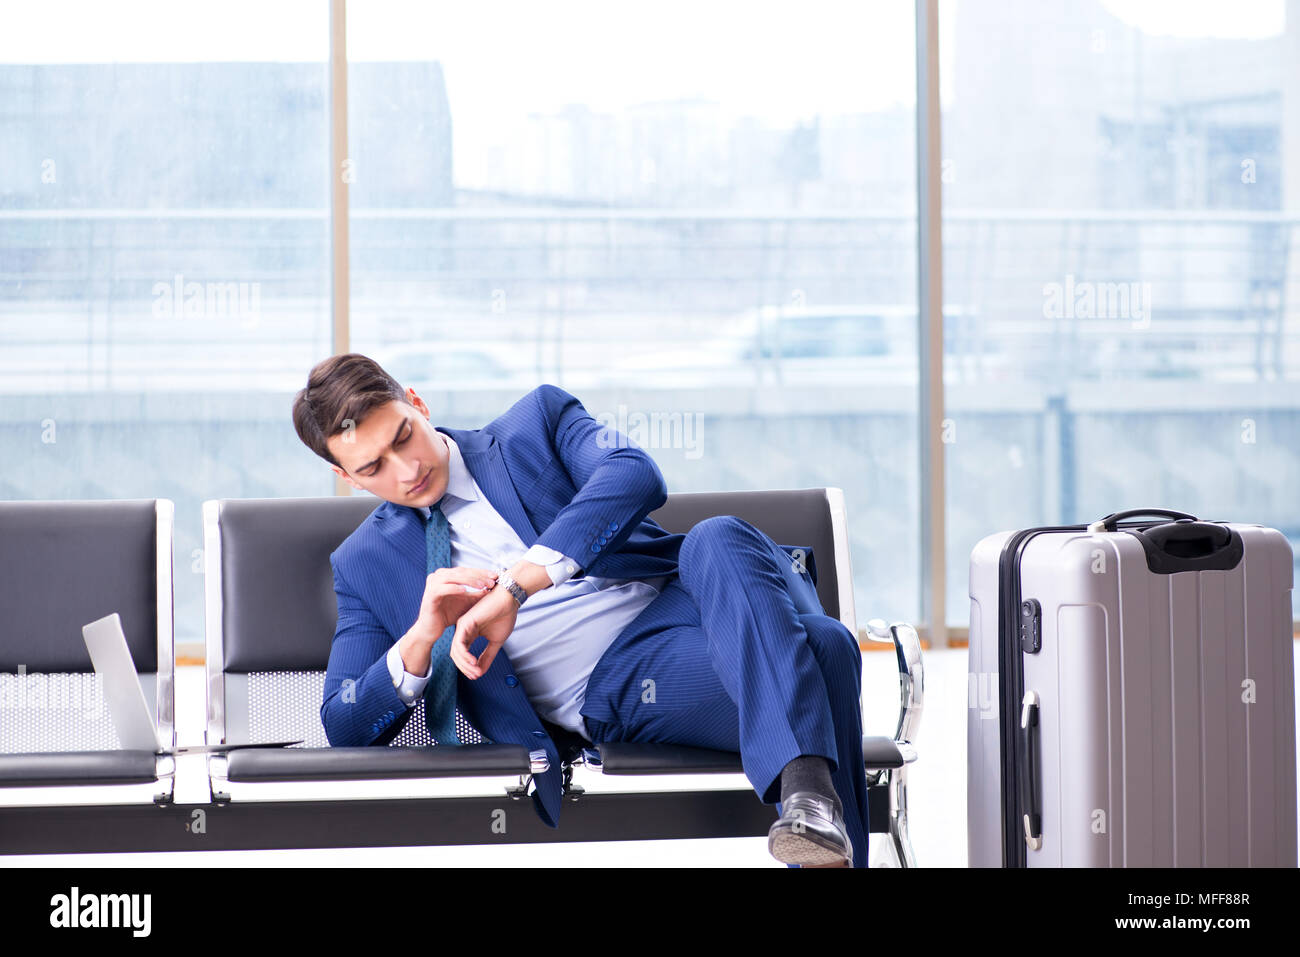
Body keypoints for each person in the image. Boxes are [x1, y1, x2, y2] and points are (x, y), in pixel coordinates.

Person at [291, 353, 869, 867]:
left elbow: (634, 474)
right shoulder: (365, 563)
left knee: (716, 536)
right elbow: (344, 723)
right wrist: (422, 636)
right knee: (825, 649)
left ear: (416, 403)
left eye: (403, 436)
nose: (406, 469)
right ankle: (809, 794)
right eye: (373, 468)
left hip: (692, 600)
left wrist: (515, 587)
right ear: (346, 478)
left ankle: (809, 803)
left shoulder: (532, 426)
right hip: (622, 683)